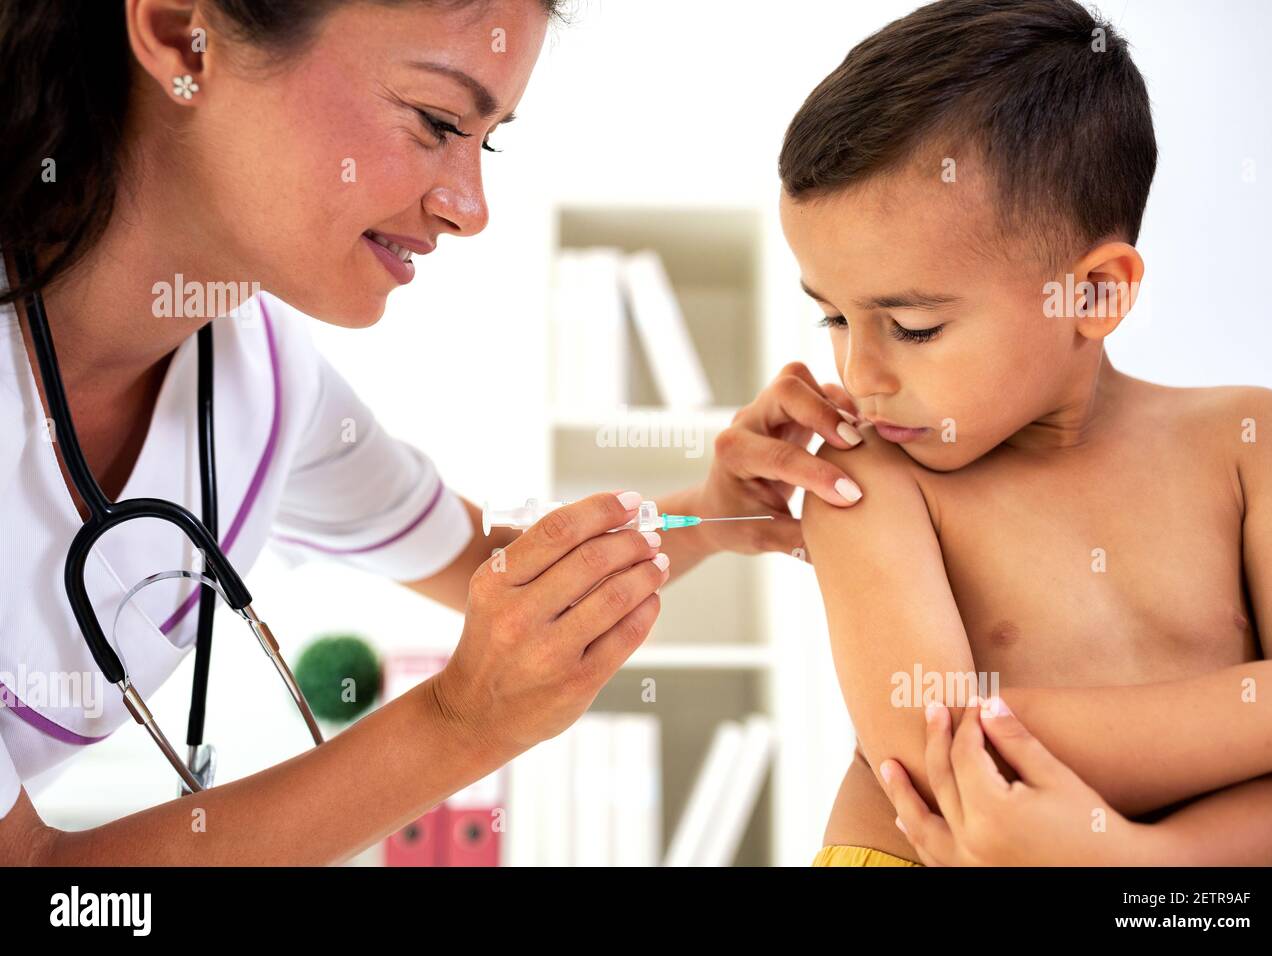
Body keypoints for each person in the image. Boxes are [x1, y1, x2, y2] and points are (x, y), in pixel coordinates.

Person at [0, 0, 871, 865]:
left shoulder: (262, 388)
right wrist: (458, 726)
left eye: (484, 140)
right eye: (437, 119)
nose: (470, 207)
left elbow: (491, 570)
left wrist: (716, 508)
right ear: (179, 35)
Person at [775, 0, 1272, 866]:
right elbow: (936, 748)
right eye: (832, 316)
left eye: (911, 328)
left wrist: (1138, 863)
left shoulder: (1252, 443)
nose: (860, 375)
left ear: (1094, 293)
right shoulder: (864, 474)